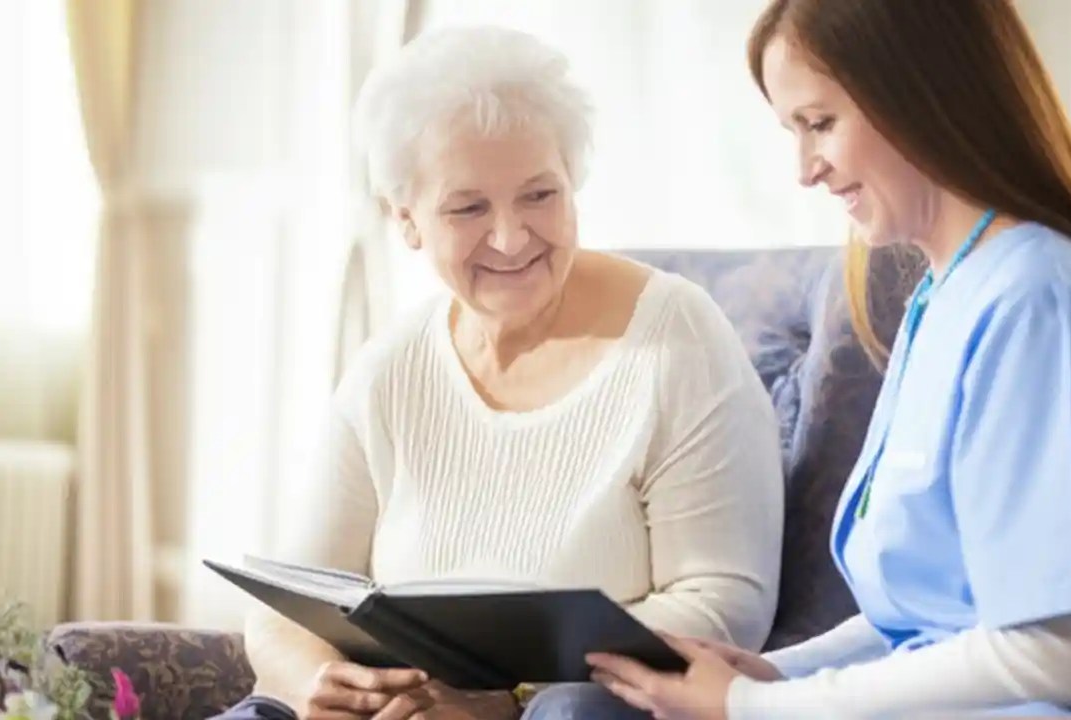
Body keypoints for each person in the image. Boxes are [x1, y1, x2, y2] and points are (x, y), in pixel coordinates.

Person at [586, 1, 1071, 718]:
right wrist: (772, 673)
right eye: (792, 132)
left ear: (922, 94)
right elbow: (928, 620)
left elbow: (1047, 653)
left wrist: (750, 707)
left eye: (820, 124)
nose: (806, 170)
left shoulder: (1040, 301)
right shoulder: (943, 297)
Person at [213, 25, 784, 720]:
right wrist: (321, 683)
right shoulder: (390, 371)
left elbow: (726, 601)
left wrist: (506, 700)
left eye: (540, 195)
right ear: (408, 221)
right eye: (468, 208)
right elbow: (283, 608)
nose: (512, 238)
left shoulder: (675, 340)